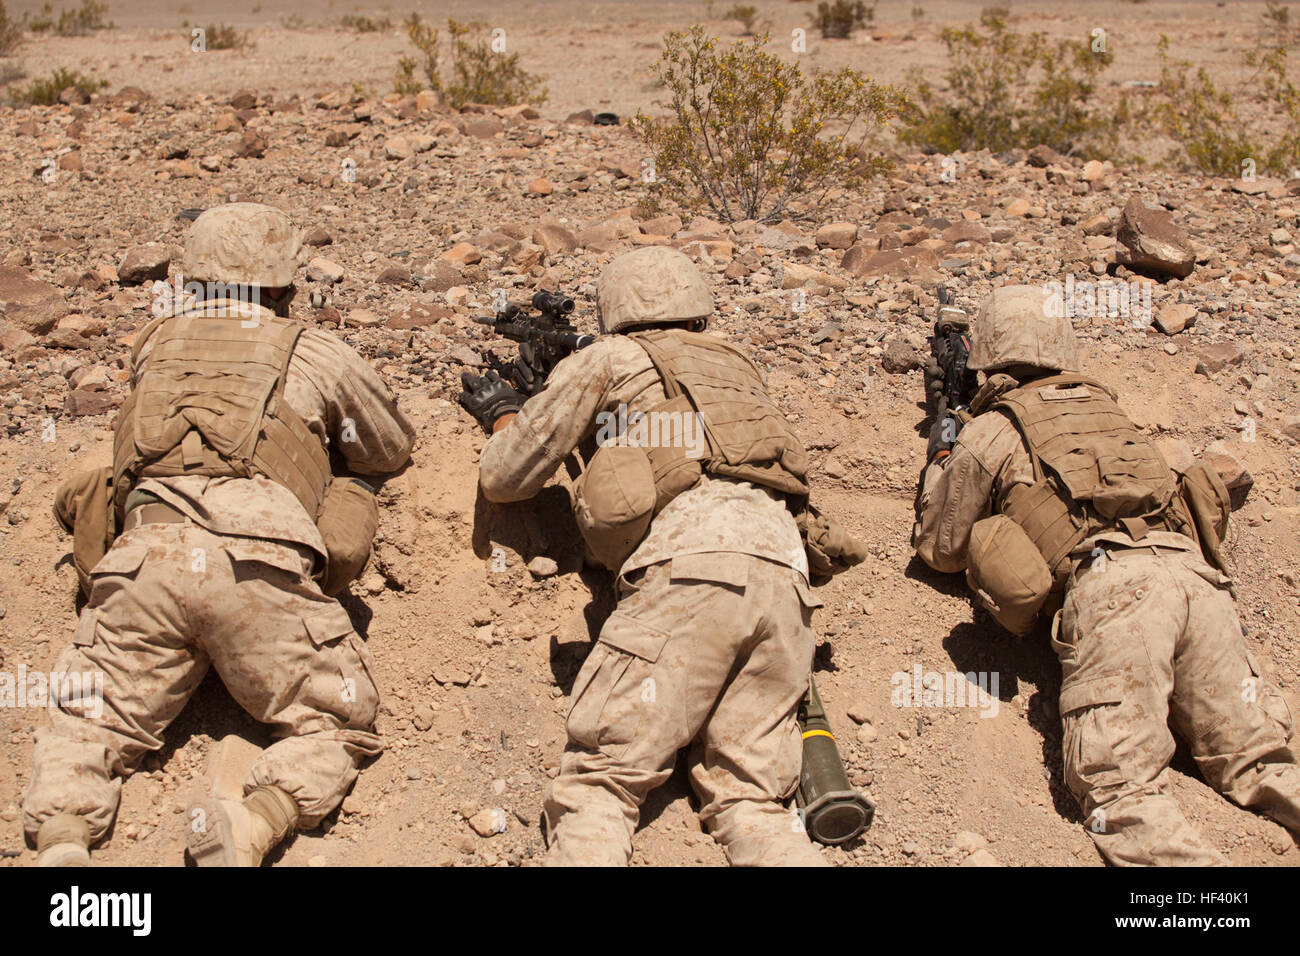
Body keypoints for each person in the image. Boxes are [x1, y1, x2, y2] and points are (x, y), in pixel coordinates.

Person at [24, 203, 415, 867]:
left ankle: (63, 843)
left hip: (144, 557)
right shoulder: (313, 350)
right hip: (257, 562)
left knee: (87, 721)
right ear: (287, 286)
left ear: (194, 280)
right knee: (335, 721)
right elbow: (388, 448)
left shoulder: (154, 341)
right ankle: (255, 823)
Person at [460, 246, 832, 866]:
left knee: (602, 783)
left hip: (687, 572)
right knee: (754, 804)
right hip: (784, 578)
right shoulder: (738, 364)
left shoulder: (607, 357)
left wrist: (505, 415)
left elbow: (507, 476)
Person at [913, 284, 1300, 866]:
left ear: (986, 353)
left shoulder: (994, 427)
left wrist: (941, 464)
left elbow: (941, 549)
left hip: (1115, 590)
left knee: (1120, 787)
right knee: (1263, 757)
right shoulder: (1110, 411)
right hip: (1197, 582)